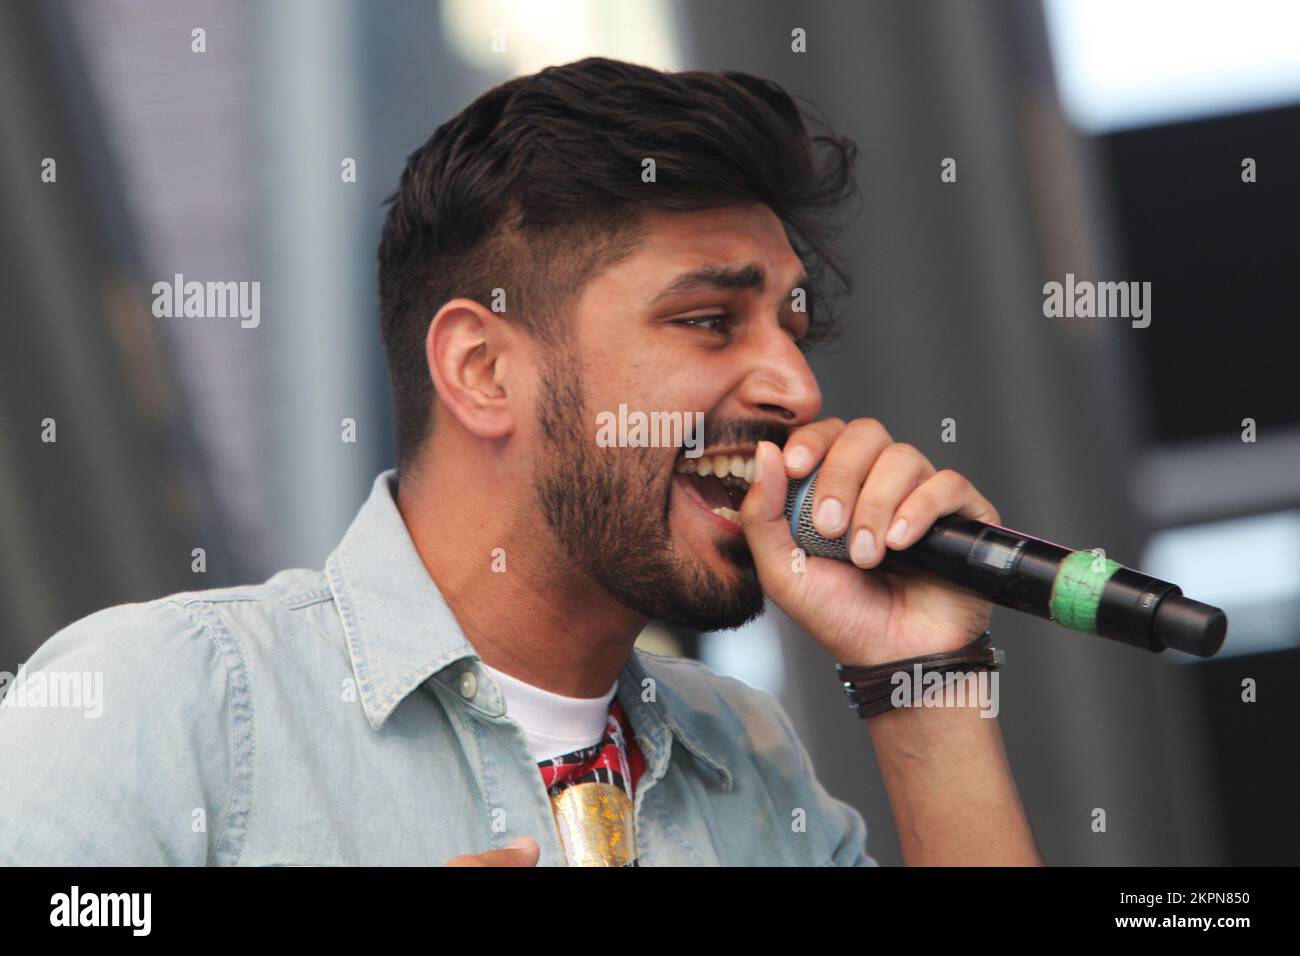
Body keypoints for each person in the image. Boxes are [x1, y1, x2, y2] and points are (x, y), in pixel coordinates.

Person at [0, 57, 1040, 867]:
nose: (795, 389)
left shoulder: (750, 760)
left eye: (793, 329)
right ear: (484, 366)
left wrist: (918, 678)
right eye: (710, 319)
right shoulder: (162, 698)